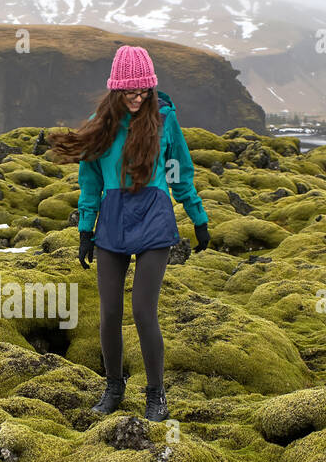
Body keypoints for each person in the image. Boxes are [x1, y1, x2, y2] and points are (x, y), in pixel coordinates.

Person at [47, 44, 210, 422]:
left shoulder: (165, 121)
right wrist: (86, 229)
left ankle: (156, 395)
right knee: (108, 313)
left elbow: (180, 172)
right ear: (116, 90)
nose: (138, 98)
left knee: (142, 311)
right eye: (130, 92)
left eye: (144, 92)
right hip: (113, 224)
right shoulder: (100, 124)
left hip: (155, 221)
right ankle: (113, 388)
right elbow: (89, 182)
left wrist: (197, 217)